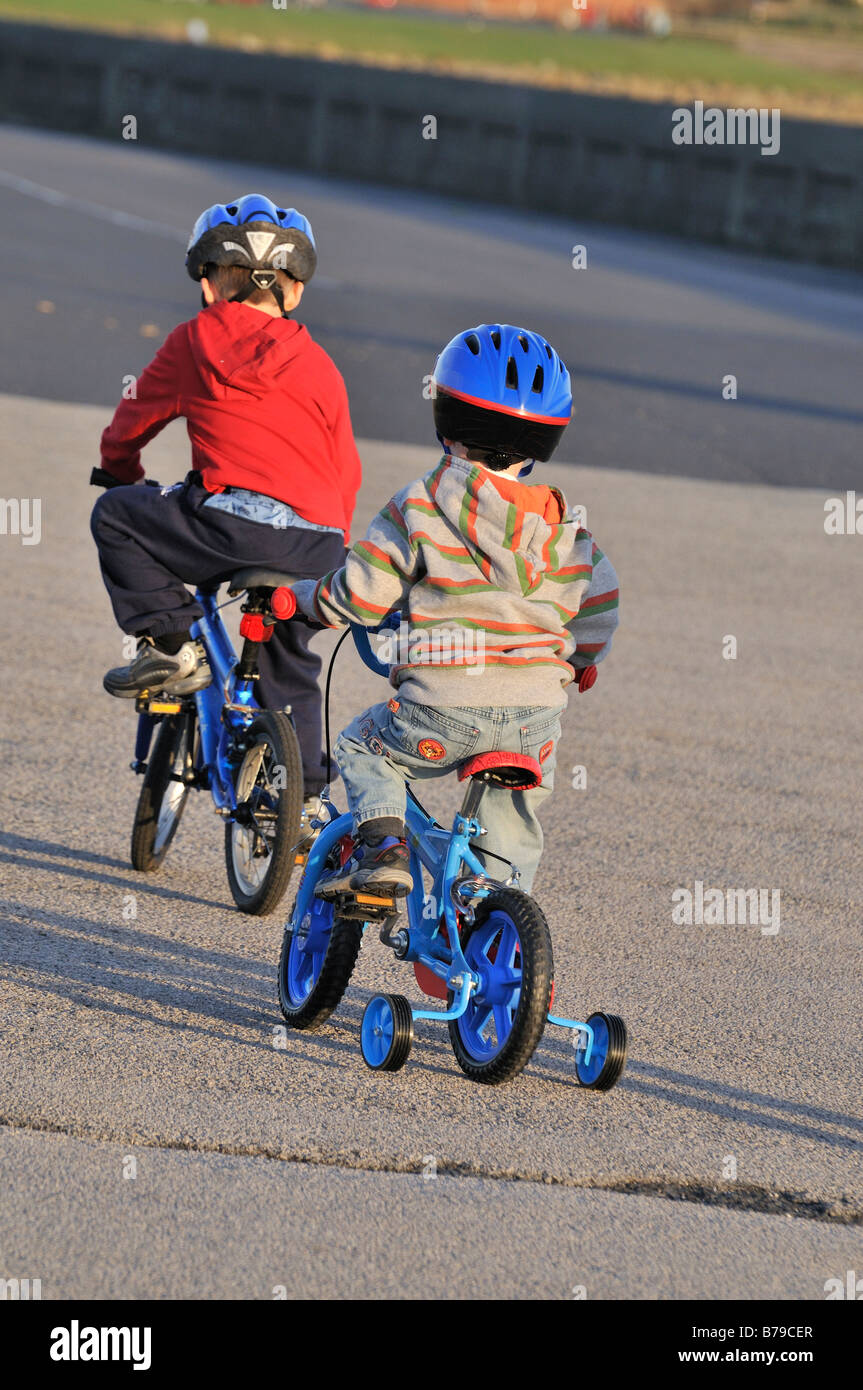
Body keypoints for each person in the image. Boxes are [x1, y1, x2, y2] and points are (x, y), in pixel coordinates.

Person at [290, 323, 619, 895]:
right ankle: (498, 926)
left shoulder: (419, 504)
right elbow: (597, 608)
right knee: (511, 817)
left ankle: (384, 849)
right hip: (534, 718)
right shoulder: (568, 530)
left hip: (440, 710)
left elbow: (362, 594)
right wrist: (582, 660)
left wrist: (306, 604)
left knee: (362, 746)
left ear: (446, 418)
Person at [90, 194, 361, 800]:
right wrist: (330, 542)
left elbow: (132, 421)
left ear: (210, 285)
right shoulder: (320, 364)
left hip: (230, 528)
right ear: (293, 293)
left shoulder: (196, 339)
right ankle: (306, 795)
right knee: (289, 660)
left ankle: (172, 643)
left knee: (117, 518)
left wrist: (120, 471)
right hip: (317, 544)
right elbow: (346, 465)